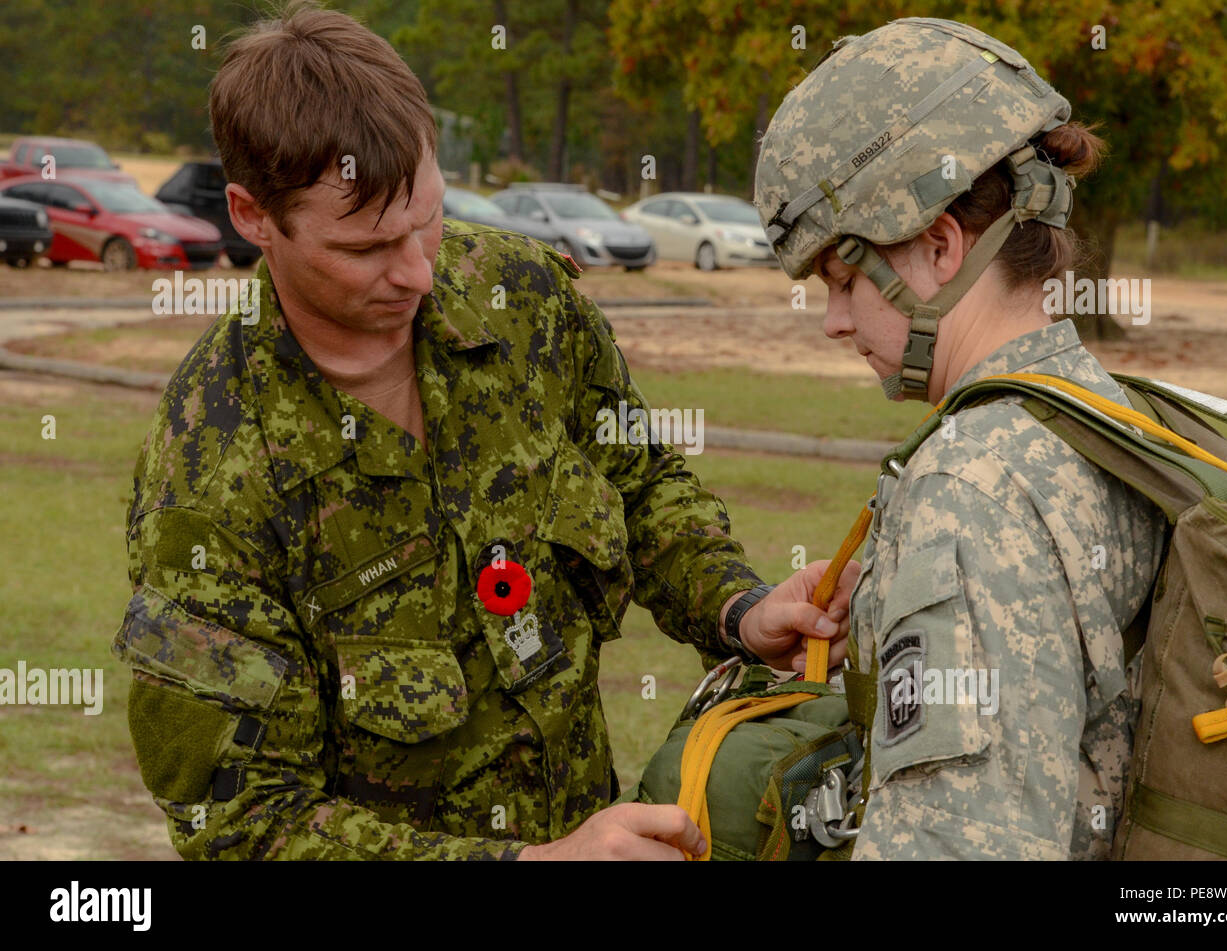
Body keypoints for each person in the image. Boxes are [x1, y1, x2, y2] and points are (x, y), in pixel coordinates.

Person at [112, 1, 859, 861]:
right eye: (365, 248)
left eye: (426, 216)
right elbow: (245, 824)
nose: (418, 272)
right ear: (251, 215)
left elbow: (643, 487)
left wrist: (739, 606)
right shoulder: (210, 472)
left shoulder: (518, 298)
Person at [754, 18, 1166, 859]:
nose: (834, 322)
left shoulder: (972, 487)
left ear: (941, 247)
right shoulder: (1106, 413)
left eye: (843, 279)